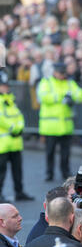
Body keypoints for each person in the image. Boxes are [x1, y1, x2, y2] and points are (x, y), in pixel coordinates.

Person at [37, 62, 82, 182]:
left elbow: (80, 95)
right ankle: (49, 173)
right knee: (50, 152)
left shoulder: (69, 82)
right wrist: (62, 97)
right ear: (54, 72)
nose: (62, 75)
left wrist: (71, 97)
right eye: (60, 73)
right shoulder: (46, 82)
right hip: (50, 126)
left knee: (66, 152)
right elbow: (43, 97)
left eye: (63, 73)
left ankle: (65, 172)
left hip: (66, 125)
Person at [0, 70, 33, 203]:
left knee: (17, 170)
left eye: (6, 85)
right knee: (1, 172)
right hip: (3, 144)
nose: (5, 88)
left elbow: (19, 116)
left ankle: (19, 192)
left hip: (15, 142)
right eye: (3, 85)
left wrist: (19, 127)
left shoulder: (11, 100)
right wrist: (13, 128)